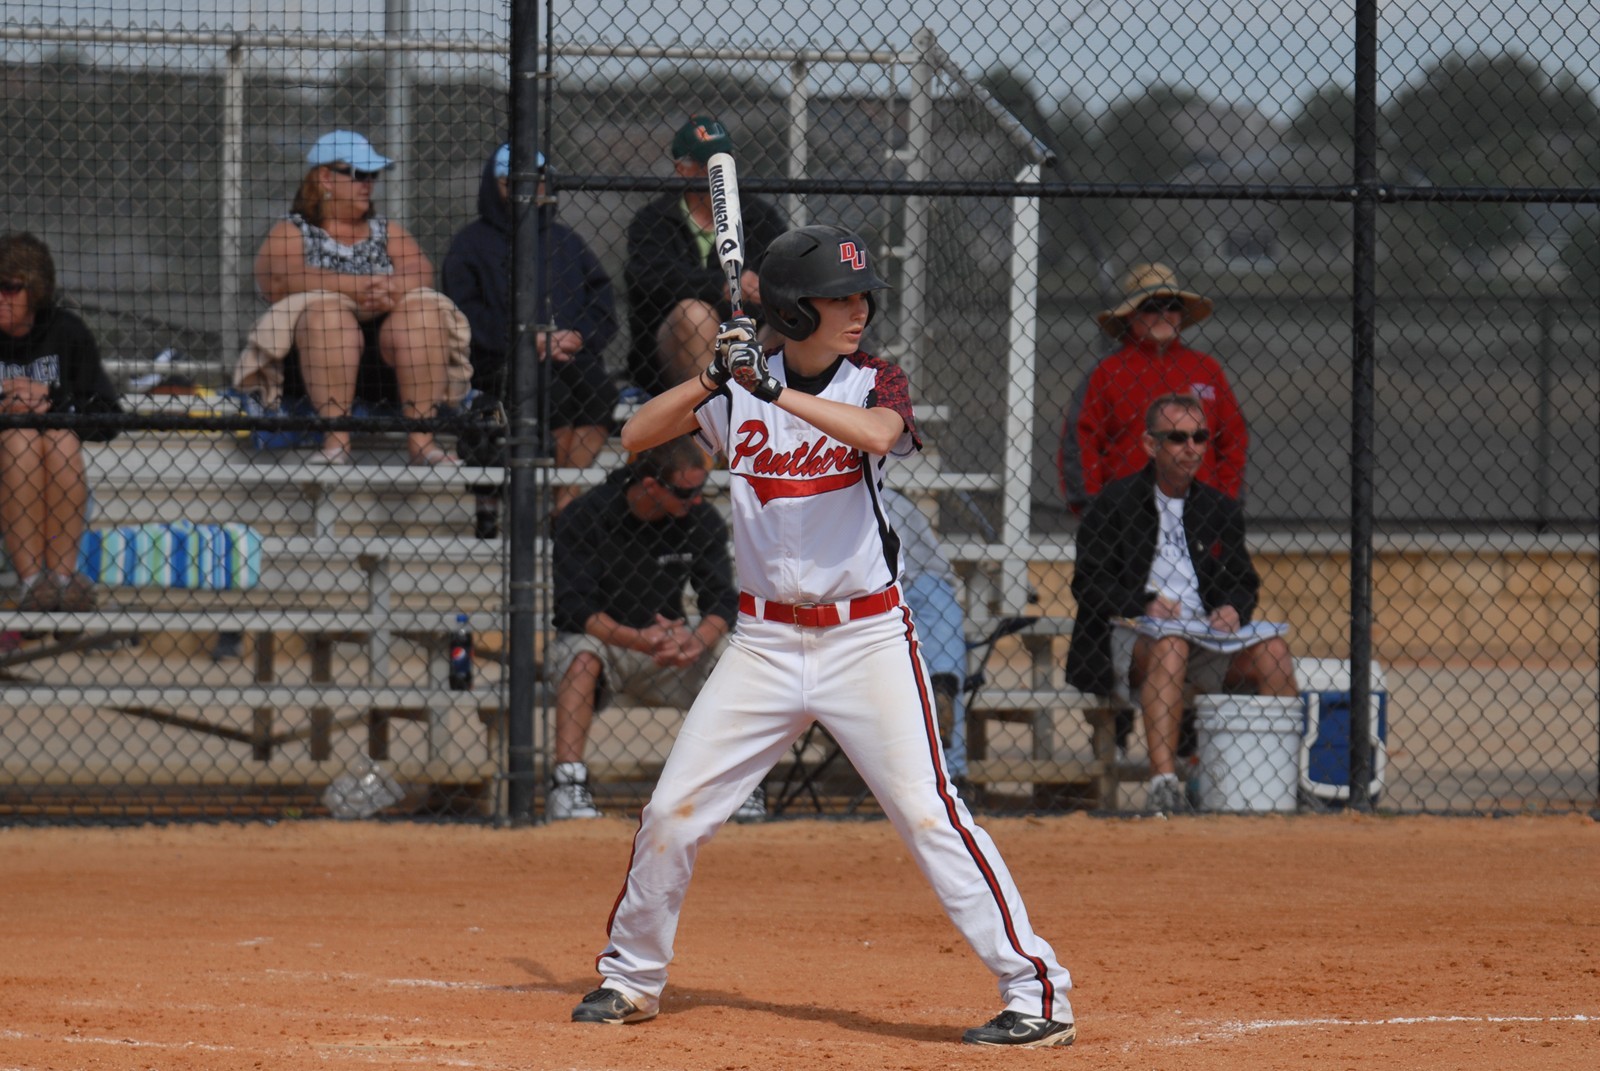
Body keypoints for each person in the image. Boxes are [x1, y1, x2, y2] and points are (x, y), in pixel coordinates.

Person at [572, 224, 1075, 1048]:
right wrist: (714, 378)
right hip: (764, 646)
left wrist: (769, 392)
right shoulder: (737, 386)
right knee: (671, 813)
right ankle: (631, 977)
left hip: (866, 640)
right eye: (839, 298)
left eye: (862, 295)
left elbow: (878, 435)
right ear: (795, 308)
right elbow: (636, 436)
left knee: (930, 814)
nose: (859, 310)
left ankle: (1037, 991)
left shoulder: (873, 378)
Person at [1065, 393, 1297, 814]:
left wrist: (1233, 609)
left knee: (1275, 654)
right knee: (1171, 645)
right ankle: (1164, 785)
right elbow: (1089, 583)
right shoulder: (1115, 503)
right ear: (1150, 445)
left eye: (1200, 437)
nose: (1191, 448)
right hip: (1134, 634)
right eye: (1177, 438)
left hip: (1205, 636)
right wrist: (1144, 604)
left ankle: (1277, 782)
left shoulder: (1219, 508)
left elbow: (1243, 581)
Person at [546, 435, 762, 822]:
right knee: (580, 656)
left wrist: (696, 641)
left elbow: (722, 601)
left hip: (671, 651)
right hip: (607, 644)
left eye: (699, 489)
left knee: (734, 654)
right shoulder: (588, 513)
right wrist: (637, 639)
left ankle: (739, 785)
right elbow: (574, 608)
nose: (696, 499)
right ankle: (567, 785)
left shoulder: (699, 518)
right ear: (650, 486)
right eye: (685, 492)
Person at [242, 130, 471, 466]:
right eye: (359, 174)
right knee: (329, 316)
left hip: (387, 366)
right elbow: (282, 279)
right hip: (311, 362)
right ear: (325, 178)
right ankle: (336, 441)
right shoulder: (291, 230)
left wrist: (391, 289)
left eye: (373, 175)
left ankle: (422, 442)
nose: (369, 184)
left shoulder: (386, 230)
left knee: (424, 312)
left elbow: (420, 271)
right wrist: (356, 288)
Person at [442, 142, 619, 513]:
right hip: (499, 364)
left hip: (570, 356)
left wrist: (578, 335)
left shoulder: (565, 240)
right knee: (557, 395)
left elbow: (602, 302)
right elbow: (462, 313)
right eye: (514, 183)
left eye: (538, 181)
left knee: (601, 394)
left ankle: (564, 502)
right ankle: (555, 505)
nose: (529, 190)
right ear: (495, 186)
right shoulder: (470, 243)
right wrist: (523, 339)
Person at [1058, 262, 1247, 514]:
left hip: (1199, 513)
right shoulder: (1106, 372)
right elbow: (1081, 441)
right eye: (1151, 306)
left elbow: (1233, 440)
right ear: (1131, 315)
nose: (1164, 313)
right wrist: (1092, 508)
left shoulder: (1206, 369)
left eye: (1173, 305)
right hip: (1127, 515)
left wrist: (1225, 503)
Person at [623, 115, 787, 396]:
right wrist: (721, 285)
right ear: (682, 169)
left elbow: (784, 270)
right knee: (694, 313)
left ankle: (767, 409)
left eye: (724, 162)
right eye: (706, 165)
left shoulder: (759, 215)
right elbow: (651, 279)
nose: (717, 173)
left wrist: (764, 289)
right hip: (671, 351)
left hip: (751, 335)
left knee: (792, 320)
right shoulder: (655, 219)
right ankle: (713, 411)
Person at [0, 232, 121, 612]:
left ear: (35, 289)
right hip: (5, 476)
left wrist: (52, 401)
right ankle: (31, 584)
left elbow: (109, 417)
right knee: (19, 438)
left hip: (58, 485)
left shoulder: (65, 331)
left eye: (9, 288)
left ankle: (62, 581)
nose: (0, 297)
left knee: (59, 436)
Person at [879, 487, 968, 779]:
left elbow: (926, 565)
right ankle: (950, 771)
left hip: (915, 584)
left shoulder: (892, 501)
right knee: (931, 609)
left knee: (937, 599)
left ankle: (942, 686)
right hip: (859, 599)